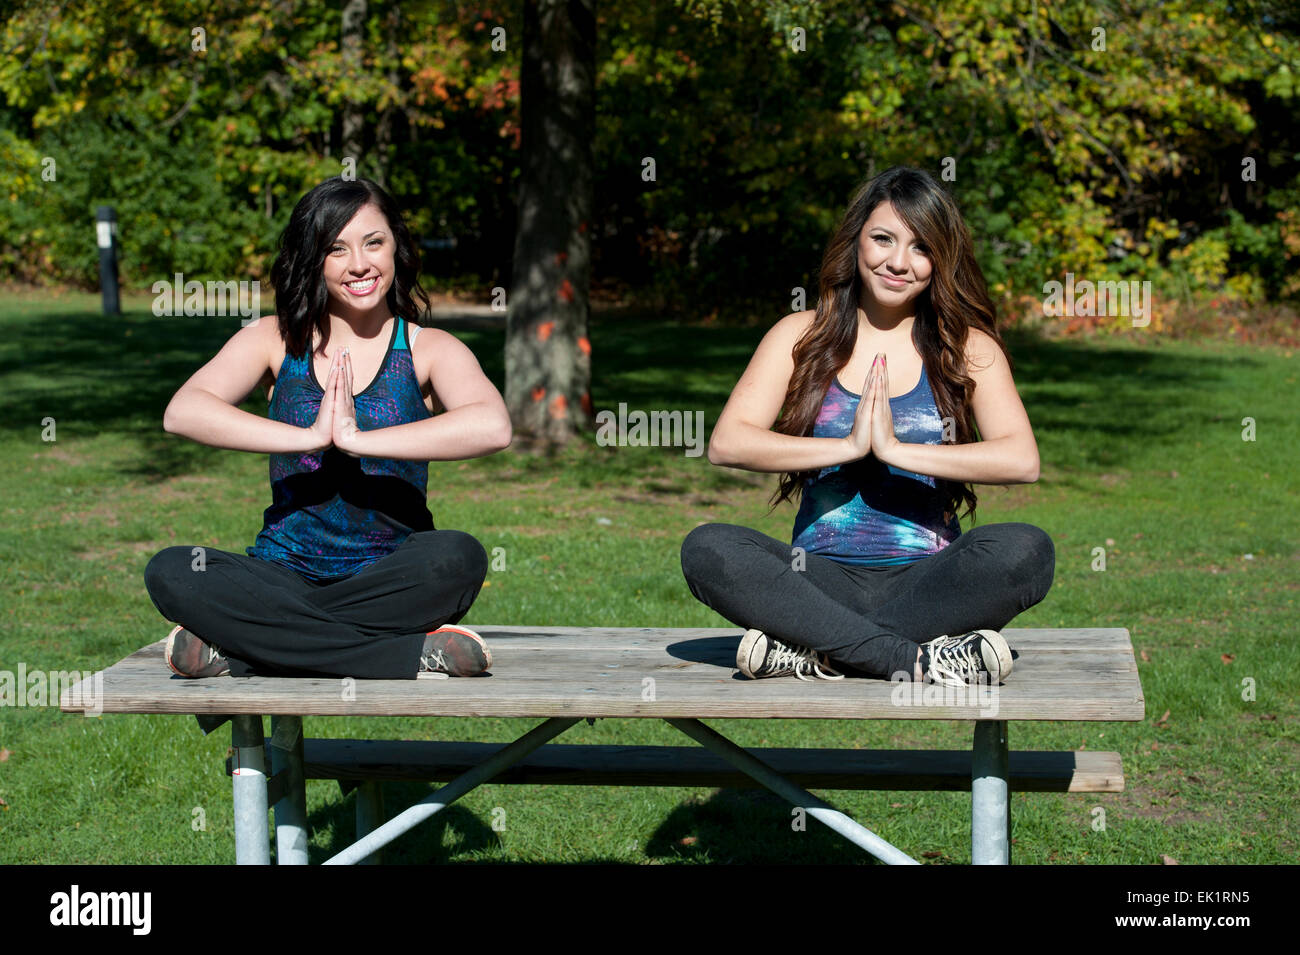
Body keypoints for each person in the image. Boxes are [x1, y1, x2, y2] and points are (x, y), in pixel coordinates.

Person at [679, 166, 1055, 687]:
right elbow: (727, 443)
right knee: (707, 548)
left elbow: (1021, 460)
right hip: (814, 581)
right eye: (883, 239)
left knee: (1027, 550)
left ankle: (814, 649)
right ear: (856, 238)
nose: (898, 262)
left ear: (940, 260)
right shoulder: (800, 335)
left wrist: (896, 451)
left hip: (928, 586)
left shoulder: (968, 348)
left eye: (921, 247)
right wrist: (851, 444)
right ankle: (917, 660)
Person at [144, 177, 512, 680]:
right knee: (173, 571)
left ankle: (248, 650)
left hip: (391, 578)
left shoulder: (429, 348)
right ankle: (402, 654)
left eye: (373, 243)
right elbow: (183, 411)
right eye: (336, 249)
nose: (359, 264)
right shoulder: (274, 339)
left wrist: (359, 440)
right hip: (281, 576)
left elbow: (492, 426)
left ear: (396, 247)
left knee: (458, 557)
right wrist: (310, 437)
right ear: (313, 260)